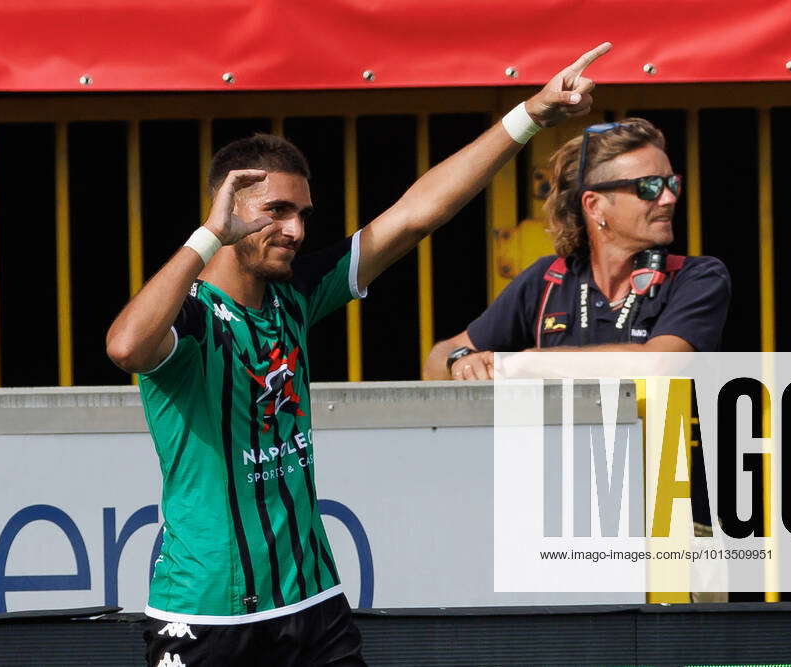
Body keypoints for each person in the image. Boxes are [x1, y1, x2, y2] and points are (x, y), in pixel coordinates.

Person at [105, 43, 611, 666]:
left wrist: (530, 113)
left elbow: (411, 218)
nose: (295, 230)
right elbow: (125, 346)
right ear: (228, 212)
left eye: (302, 214)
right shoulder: (189, 319)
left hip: (311, 602)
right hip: (205, 612)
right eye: (276, 212)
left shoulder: (295, 295)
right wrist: (208, 235)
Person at [424, 117, 731, 381]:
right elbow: (435, 363)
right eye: (649, 187)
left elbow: (659, 364)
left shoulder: (697, 276)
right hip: (558, 451)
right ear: (594, 205)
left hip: (653, 450)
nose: (668, 198)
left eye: (672, 184)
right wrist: (462, 361)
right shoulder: (547, 279)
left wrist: (527, 363)